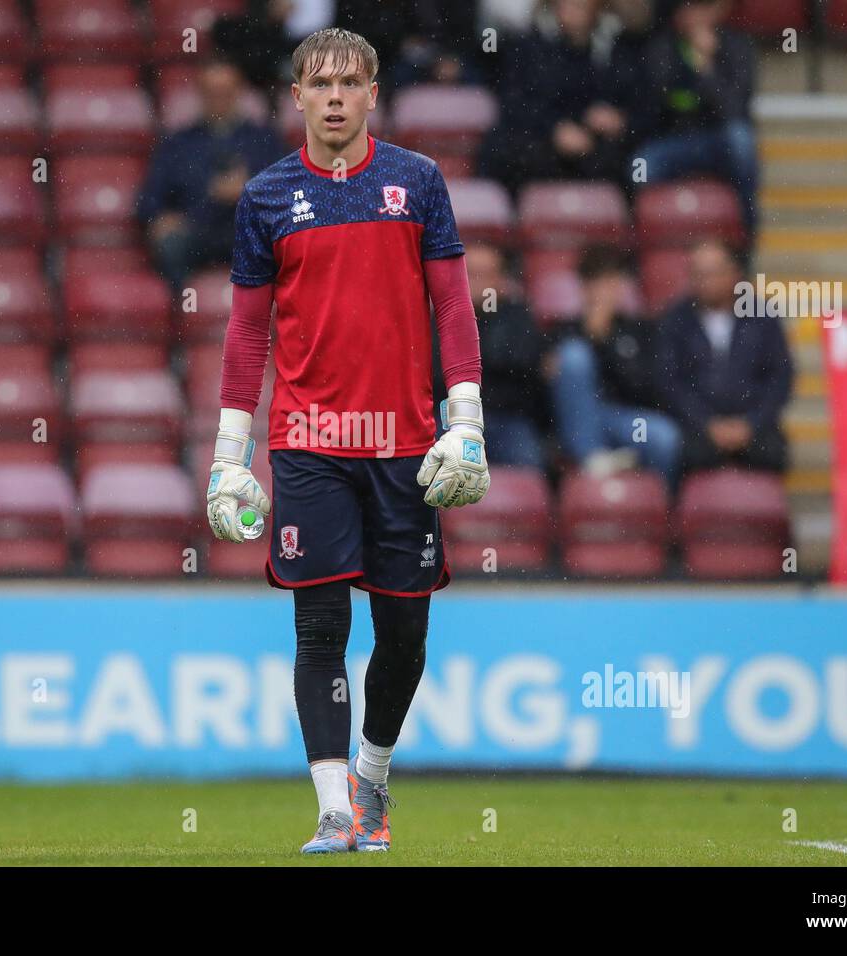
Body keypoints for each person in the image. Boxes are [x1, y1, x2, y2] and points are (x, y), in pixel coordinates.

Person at [208, 28, 488, 854]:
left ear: (373, 95)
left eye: (350, 82)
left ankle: (372, 777)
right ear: (295, 97)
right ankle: (333, 808)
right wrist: (231, 452)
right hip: (309, 441)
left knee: (405, 634)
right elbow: (247, 333)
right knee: (319, 627)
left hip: (405, 443)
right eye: (319, 83)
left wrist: (463, 417)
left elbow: (452, 305)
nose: (335, 97)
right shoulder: (265, 197)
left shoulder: (417, 183)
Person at [135, 58, 286, 293]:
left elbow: (289, 195)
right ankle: (186, 316)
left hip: (250, 236)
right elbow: (149, 200)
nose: (218, 99)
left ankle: (268, 320)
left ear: (238, 92)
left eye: (225, 92)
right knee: (171, 244)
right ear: (200, 94)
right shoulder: (178, 143)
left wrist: (248, 192)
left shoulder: (265, 141)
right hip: (197, 232)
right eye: (211, 92)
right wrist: (162, 219)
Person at [656, 238, 793, 474]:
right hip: (698, 427)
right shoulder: (675, 320)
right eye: (697, 274)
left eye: (712, 273)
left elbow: (780, 377)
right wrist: (707, 424)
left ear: (734, 273)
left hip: (753, 426)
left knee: (773, 453)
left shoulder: (762, 316)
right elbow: (669, 382)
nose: (704, 282)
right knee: (682, 453)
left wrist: (751, 423)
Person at [549, 243, 681, 481]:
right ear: (584, 287)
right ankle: (592, 456)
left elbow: (646, 387)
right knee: (574, 354)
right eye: (598, 282)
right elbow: (546, 385)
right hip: (576, 420)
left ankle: (660, 507)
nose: (607, 290)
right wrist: (588, 336)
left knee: (664, 437)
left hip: (623, 419)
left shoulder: (639, 329)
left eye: (613, 281)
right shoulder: (564, 331)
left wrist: (605, 342)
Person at [478, 0, 637, 194]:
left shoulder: (618, 50)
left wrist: (620, 120)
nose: (572, 10)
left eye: (580, 6)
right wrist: (554, 128)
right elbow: (514, 102)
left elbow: (641, 106)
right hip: (536, 144)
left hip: (595, 147)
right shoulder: (527, 46)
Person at [635, 0, 759, 237]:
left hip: (717, 142)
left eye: (699, 8)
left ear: (716, 11)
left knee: (742, 140)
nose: (690, 15)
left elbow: (734, 110)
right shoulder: (661, 47)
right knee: (640, 166)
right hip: (674, 143)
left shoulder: (736, 47)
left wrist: (707, 69)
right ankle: (643, 244)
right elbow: (652, 106)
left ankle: (747, 232)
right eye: (686, 7)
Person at [435, 242, 548, 470]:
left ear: (499, 280)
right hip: (452, 422)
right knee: (426, 470)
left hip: (506, 419)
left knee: (530, 465)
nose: (476, 282)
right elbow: (435, 375)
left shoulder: (516, 314)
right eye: (470, 274)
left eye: (485, 275)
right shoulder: (439, 316)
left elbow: (525, 362)